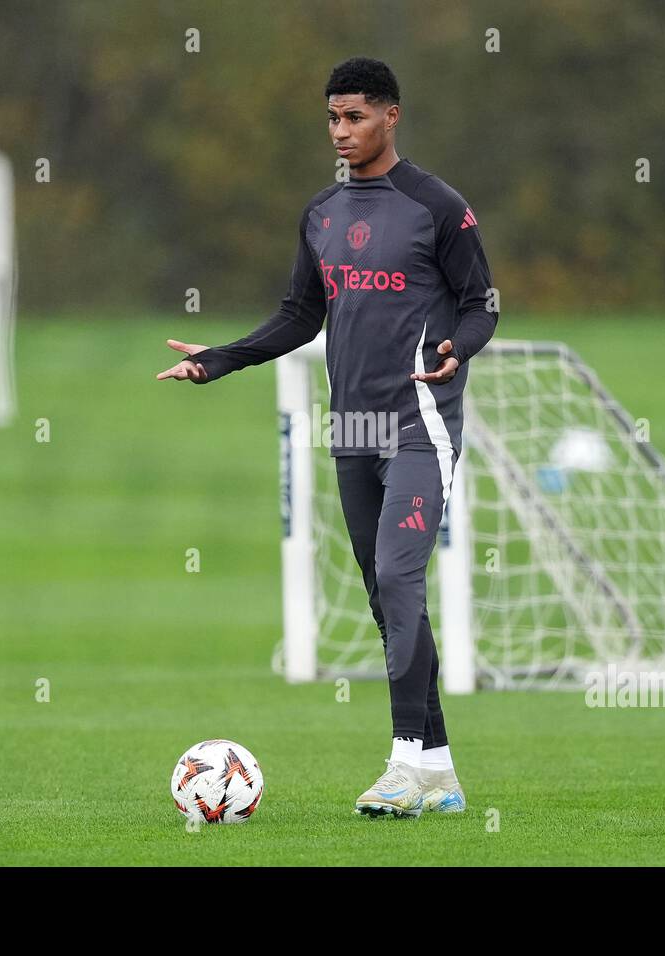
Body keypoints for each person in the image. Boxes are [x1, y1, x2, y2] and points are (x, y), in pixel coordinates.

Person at [157, 56, 497, 818]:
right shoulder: (319, 213)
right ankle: (439, 772)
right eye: (333, 119)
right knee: (384, 597)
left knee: (401, 577)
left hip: (419, 426)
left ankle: (403, 765)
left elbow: (482, 306)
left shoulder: (437, 206)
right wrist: (219, 361)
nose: (341, 132)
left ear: (391, 116)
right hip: (353, 427)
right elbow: (298, 316)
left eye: (355, 117)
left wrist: (456, 351)